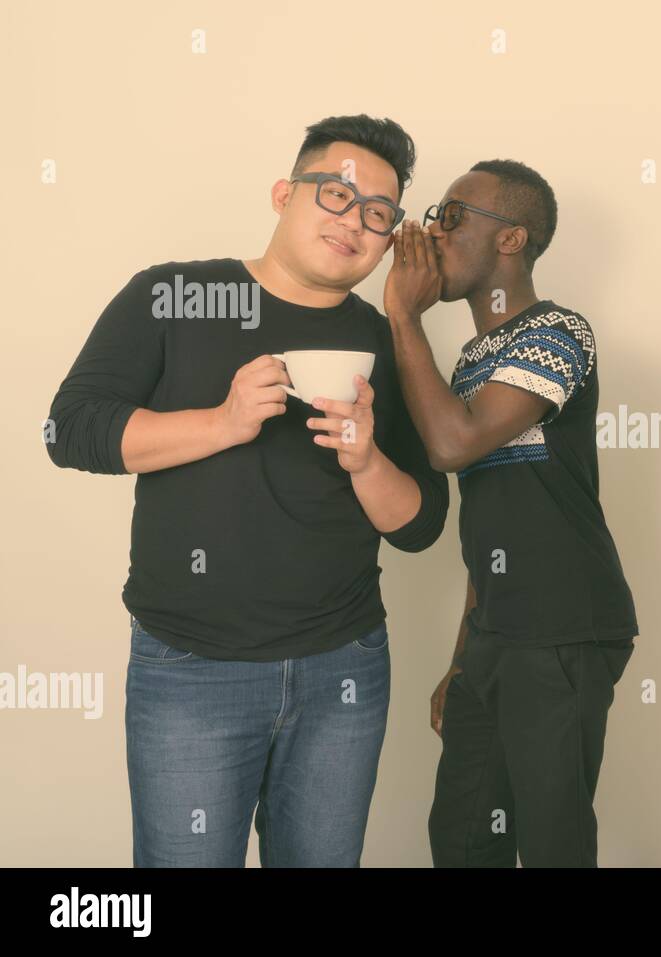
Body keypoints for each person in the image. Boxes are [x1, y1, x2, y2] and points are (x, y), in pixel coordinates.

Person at [44, 114, 449, 866]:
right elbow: (70, 430)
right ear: (283, 194)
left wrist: (367, 464)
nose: (353, 223)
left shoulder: (386, 342)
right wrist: (222, 422)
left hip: (344, 668)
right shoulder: (174, 296)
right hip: (192, 669)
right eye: (335, 194)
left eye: (377, 214)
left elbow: (422, 523)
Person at [381, 159, 639, 867]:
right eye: (437, 212)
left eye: (455, 216)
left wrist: (402, 313)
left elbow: (451, 444)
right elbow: (485, 531)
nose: (434, 230)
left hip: (564, 627)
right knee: (464, 840)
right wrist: (464, 658)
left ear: (512, 239)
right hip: (496, 634)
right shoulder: (470, 360)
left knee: (553, 845)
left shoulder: (558, 333)